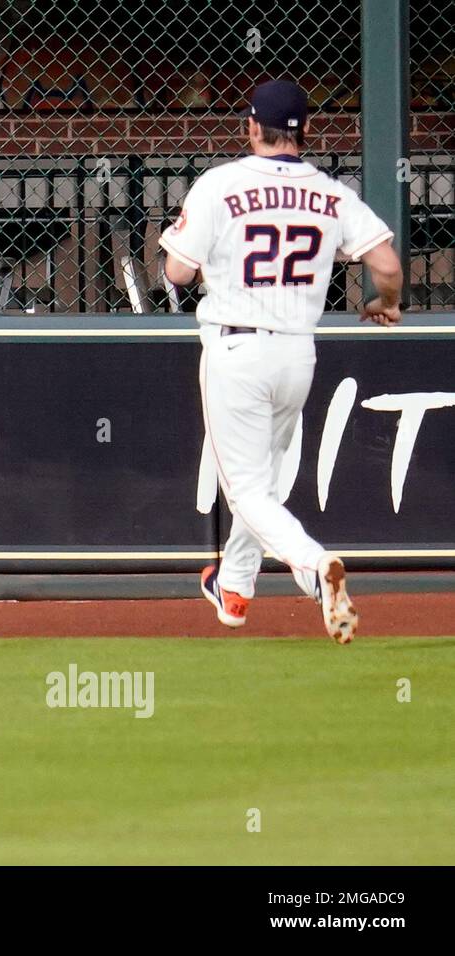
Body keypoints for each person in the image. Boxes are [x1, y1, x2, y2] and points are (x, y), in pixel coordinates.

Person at [159, 79, 404, 643]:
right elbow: (386, 265)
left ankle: (316, 569)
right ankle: (235, 589)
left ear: (251, 128)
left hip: (236, 345)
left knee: (245, 488)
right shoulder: (331, 192)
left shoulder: (221, 183)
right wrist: (385, 304)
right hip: (297, 351)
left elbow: (177, 273)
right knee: (261, 480)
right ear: (307, 132)